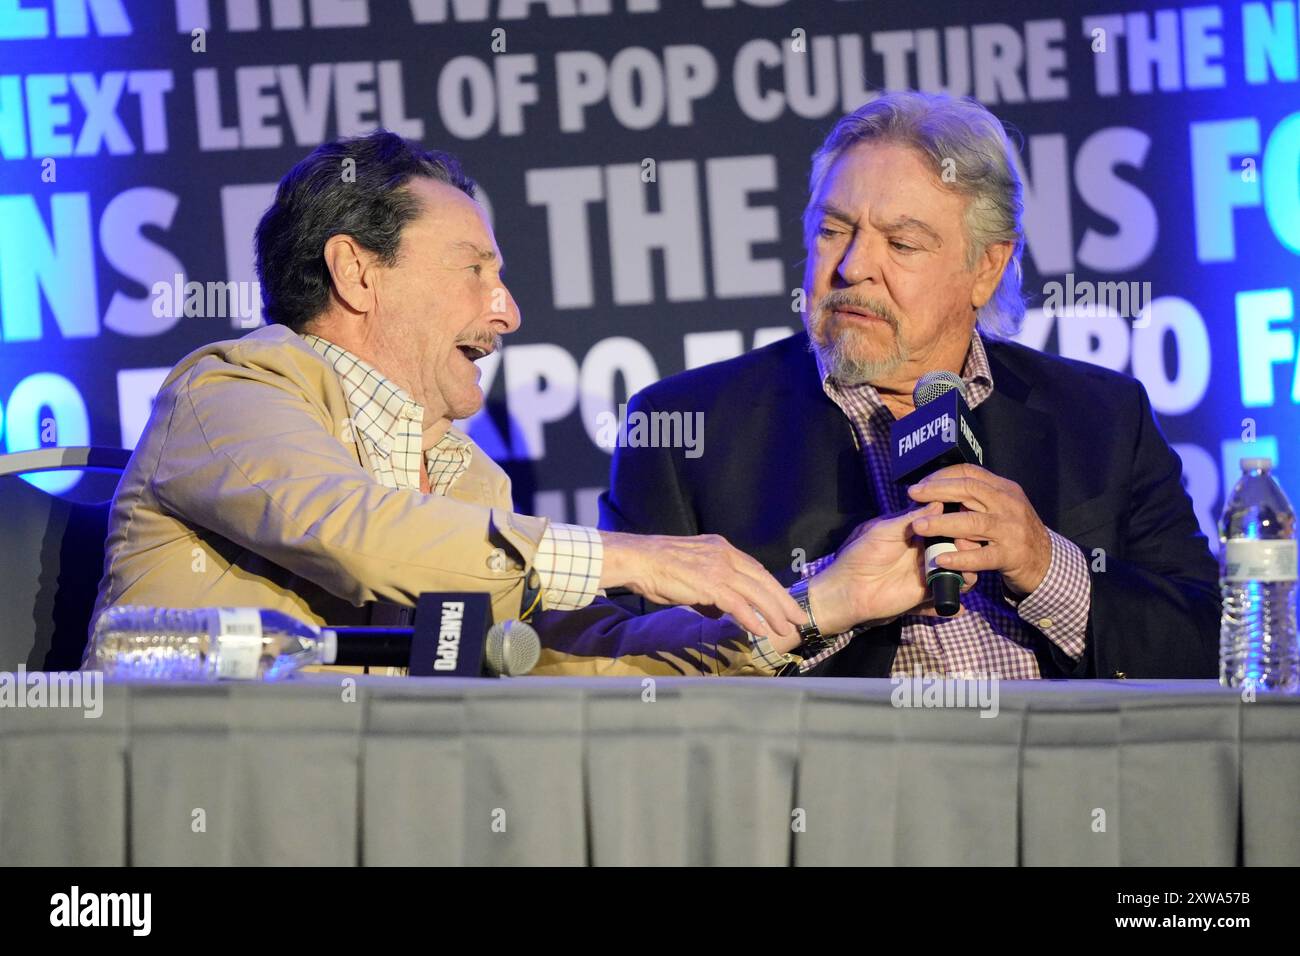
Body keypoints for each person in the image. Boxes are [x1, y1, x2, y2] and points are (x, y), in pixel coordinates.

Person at [89, 130, 962, 677]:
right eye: (476, 270)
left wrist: (816, 607)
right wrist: (633, 554)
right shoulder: (231, 390)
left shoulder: (471, 485)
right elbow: (354, 532)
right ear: (357, 272)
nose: (508, 310)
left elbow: (578, 663)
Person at [600, 91, 1219, 679]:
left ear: (986, 267)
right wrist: (819, 602)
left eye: (901, 243)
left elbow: (1207, 642)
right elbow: (628, 666)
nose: (853, 267)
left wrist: (1045, 564)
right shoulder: (687, 432)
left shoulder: (1104, 417)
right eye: (832, 230)